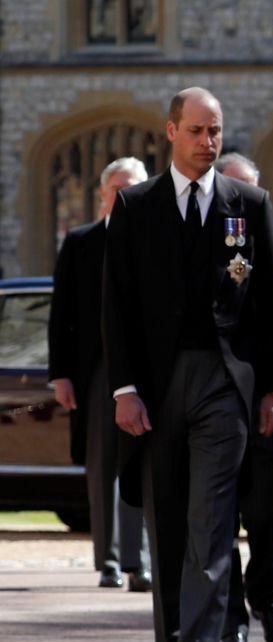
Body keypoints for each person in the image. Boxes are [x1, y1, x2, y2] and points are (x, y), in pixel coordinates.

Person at [102, 87, 273, 642]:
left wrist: (272, 389)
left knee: (212, 521)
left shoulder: (249, 202)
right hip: (157, 386)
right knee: (170, 518)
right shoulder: (135, 205)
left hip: (224, 381)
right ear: (170, 132)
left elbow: (270, 307)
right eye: (198, 131)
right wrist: (125, 389)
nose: (209, 142)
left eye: (216, 131)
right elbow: (118, 307)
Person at [48, 157, 152, 593]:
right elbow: (62, 316)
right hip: (99, 371)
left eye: (135, 189)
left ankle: (139, 561)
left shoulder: (159, 239)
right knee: (103, 466)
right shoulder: (81, 242)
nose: (125, 197)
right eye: (119, 189)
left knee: (143, 465)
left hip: (149, 369)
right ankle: (108, 561)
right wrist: (62, 375)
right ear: (105, 195)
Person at [213, 152, 273, 642]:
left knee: (269, 514)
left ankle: (267, 598)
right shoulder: (203, 254)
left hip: (272, 407)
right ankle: (231, 617)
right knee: (219, 516)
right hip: (221, 403)